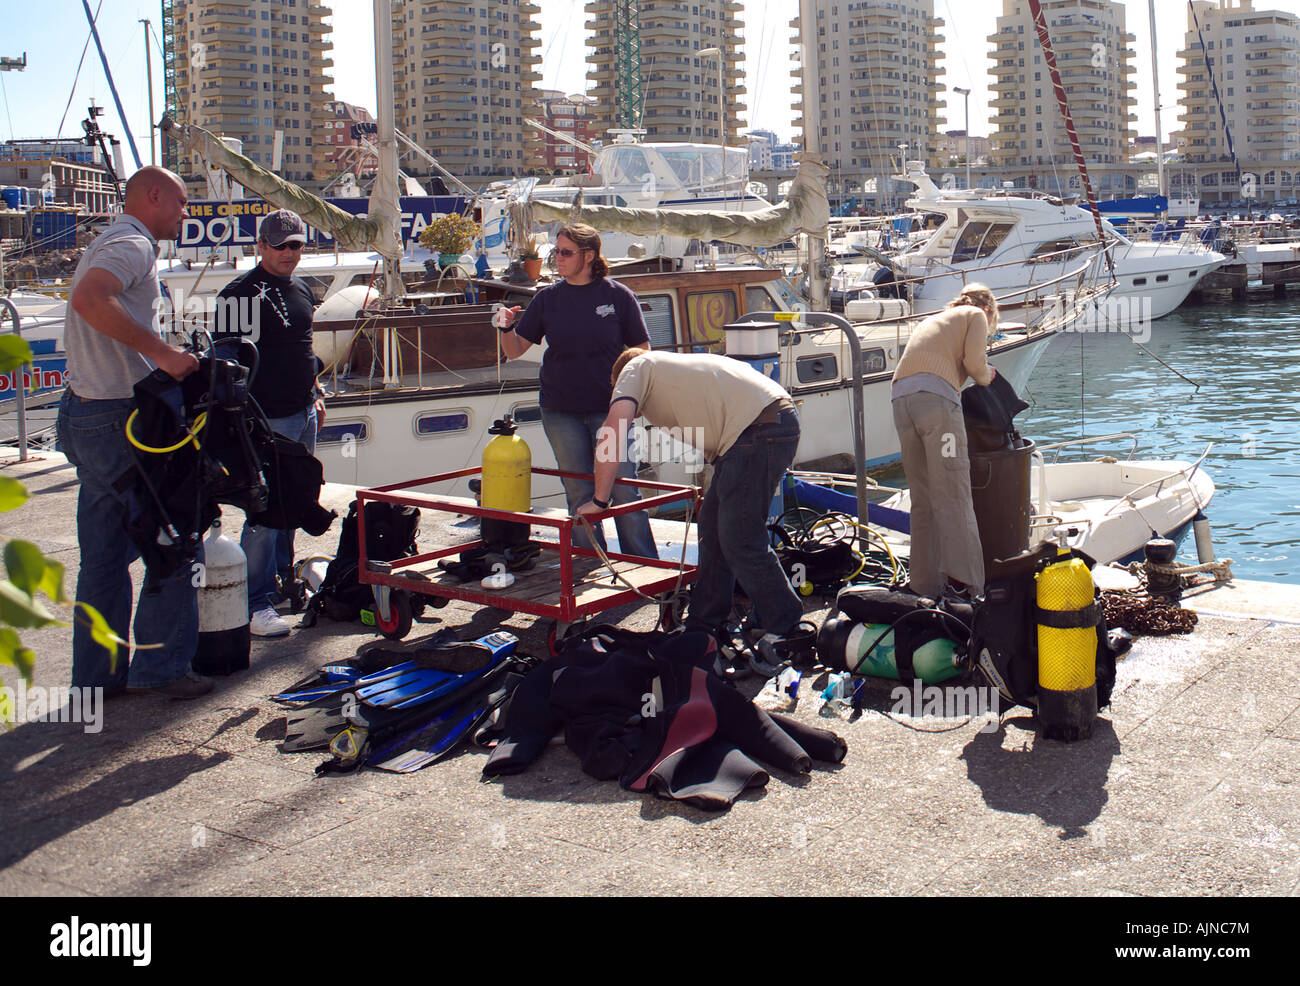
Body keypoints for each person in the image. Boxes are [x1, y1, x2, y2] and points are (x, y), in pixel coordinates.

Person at [56, 165, 209, 699]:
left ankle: (96, 680)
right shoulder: (134, 245)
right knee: (175, 538)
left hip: (84, 409)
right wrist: (165, 356)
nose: (185, 214)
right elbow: (91, 299)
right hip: (118, 418)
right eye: (182, 203)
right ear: (152, 196)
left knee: (102, 557)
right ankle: (160, 671)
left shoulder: (108, 238)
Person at [580, 349, 805, 677]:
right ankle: (704, 625)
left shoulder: (635, 367)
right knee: (713, 534)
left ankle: (786, 628)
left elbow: (612, 431)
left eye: (616, 389)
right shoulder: (671, 370)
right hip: (759, 428)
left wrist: (600, 501)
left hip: (757, 430)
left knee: (741, 539)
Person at [495, 223, 657, 560]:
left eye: (565, 252)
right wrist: (506, 327)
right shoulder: (547, 299)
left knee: (625, 487)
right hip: (560, 411)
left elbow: (641, 351)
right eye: (555, 251)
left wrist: (636, 398)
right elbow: (514, 350)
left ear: (589, 256)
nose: (558, 258)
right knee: (578, 491)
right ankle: (587, 567)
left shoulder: (617, 296)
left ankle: (645, 566)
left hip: (610, 411)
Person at [215, 209, 325, 637]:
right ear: (260, 246)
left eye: (295, 244)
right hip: (265, 419)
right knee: (262, 513)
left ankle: (283, 583)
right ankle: (253, 601)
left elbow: (302, 346)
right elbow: (224, 362)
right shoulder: (239, 294)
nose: (288, 252)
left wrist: (314, 391)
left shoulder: (300, 287)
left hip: (302, 412)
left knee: (293, 502)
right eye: (279, 245)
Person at [890, 282, 998, 600]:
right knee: (953, 494)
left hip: (902, 404)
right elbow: (976, 365)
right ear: (989, 309)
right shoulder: (976, 315)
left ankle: (922, 586)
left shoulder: (936, 320)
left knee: (923, 502)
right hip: (936, 408)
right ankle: (970, 589)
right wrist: (987, 375)